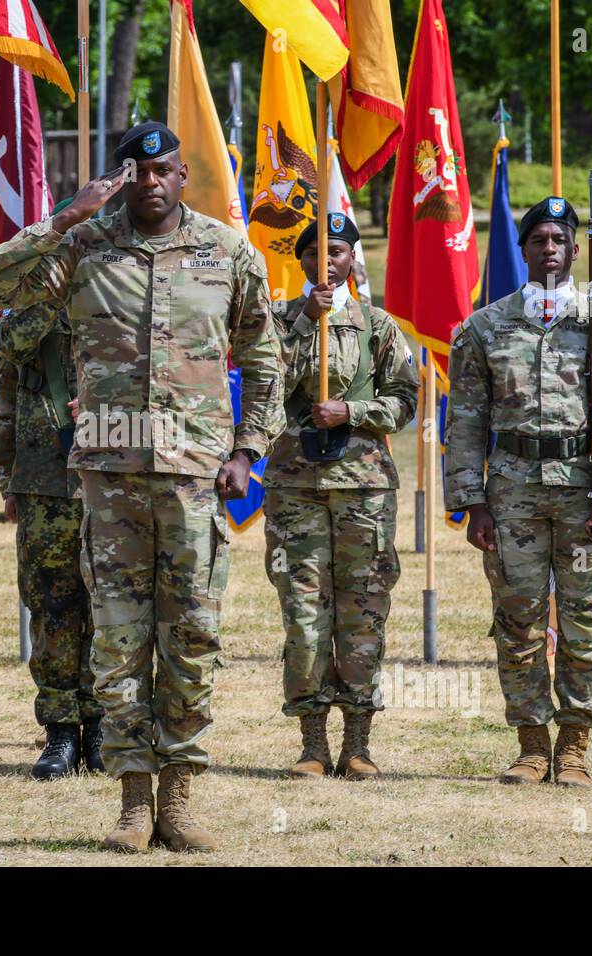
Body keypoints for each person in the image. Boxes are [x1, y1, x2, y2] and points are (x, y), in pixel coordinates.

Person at [0, 121, 284, 852]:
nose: (150, 183)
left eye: (164, 172)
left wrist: (248, 449)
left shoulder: (225, 251)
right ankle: (134, 803)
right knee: (118, 643)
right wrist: (65, 218)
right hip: (108, 480)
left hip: (194, 480)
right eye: (137, 172)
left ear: (182, 178)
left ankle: (179, 798)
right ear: (122, 178)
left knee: (192, 636)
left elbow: (265, 357)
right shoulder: (83, 247)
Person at [444, 196, 592, 788]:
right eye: (539, 240)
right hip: (512, 494)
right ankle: (532, 745)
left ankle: (575, 745)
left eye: (560, 240)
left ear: (575, 250)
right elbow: (467, 423)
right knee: (518, 619)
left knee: (587, 619)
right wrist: (471, 502)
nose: (550, 249)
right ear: (523, 250)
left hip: (586, 491)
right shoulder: (485, 328)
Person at [263, 216, 418, 780]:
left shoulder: (376, 325)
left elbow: (405, 400)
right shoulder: (278, 319)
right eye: (315, 252)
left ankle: (358, 743)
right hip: (296, 489)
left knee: (363, 612)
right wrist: (306, 320)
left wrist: (352, 412)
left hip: (363, 488)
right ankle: (311, 743)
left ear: (353, 259)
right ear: (301, 260)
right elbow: (263, 380)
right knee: (304, 617)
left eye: (338, 250)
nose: (326, 260)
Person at [0, 286, 105, 779]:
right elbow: (6, 385)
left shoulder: (119, 294)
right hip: (43, 479)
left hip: (111, 476)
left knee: (110, 605)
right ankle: (60, 731)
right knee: (52, 607)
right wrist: (5, 473)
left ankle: (102, 725)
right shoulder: (28, 309)